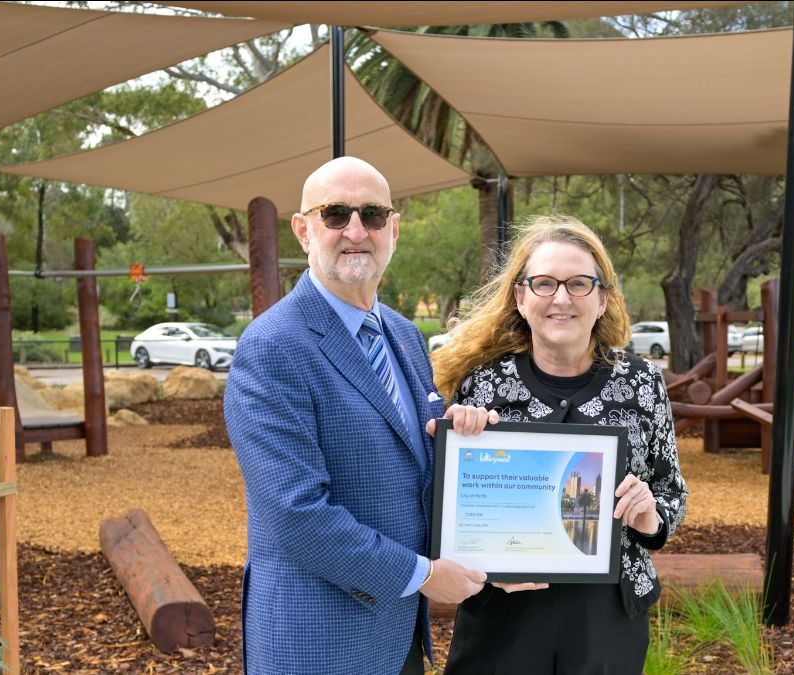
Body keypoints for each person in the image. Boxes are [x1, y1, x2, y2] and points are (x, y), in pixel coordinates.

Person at [224, 156, 493, 675]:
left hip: (397, 638)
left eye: (372, 214)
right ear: (303, 230)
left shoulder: (404, 335)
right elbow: (297, 514)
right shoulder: (272, 347)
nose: (355, 231)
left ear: (393, 229)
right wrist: (423, 576)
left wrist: (462, 438)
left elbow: (413, 467)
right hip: (317, 645)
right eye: (334, 214)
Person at [431, 214, 688, 675]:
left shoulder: (642, 382)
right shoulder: (482, 384)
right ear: (521, 297)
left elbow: (671, 490)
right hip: (502, 610)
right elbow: (447, 504)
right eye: (545, 283)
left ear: (603, 298)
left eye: (579, 284)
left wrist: (650, 516)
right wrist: (458, 436)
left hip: (606, 613)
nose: (562, 298)